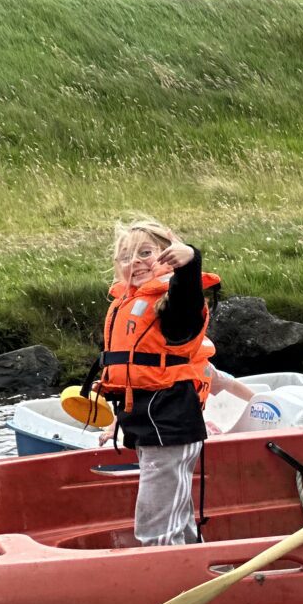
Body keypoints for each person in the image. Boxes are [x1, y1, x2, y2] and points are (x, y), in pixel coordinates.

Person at [96, 217, 218, 546]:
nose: (134, 262)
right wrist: (117, 422)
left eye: (145, 253)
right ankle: (193, 564)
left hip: (172, 423)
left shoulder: (176, 311)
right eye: (125, 257)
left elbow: (187, 294)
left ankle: (167, 576)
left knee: (156, 522)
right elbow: (132, 378)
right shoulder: (127, 306)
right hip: (149, 423)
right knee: (172, 515)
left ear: (167, 258)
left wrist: (190, 260)